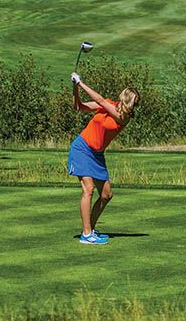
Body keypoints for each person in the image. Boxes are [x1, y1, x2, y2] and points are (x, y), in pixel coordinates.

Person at [67, 73, 140, 245]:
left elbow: (100, 101)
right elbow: (79, 107)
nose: (133, 107)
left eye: (135, 104)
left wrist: (81, 82)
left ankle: (90, 229)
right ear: (125, 99)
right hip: (82, 149)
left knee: (107, 195)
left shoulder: (123, 117)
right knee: (89, 189)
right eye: (132, 103)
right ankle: (86, 234)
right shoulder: (109, 105)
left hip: (97, 155)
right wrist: (75, 87)